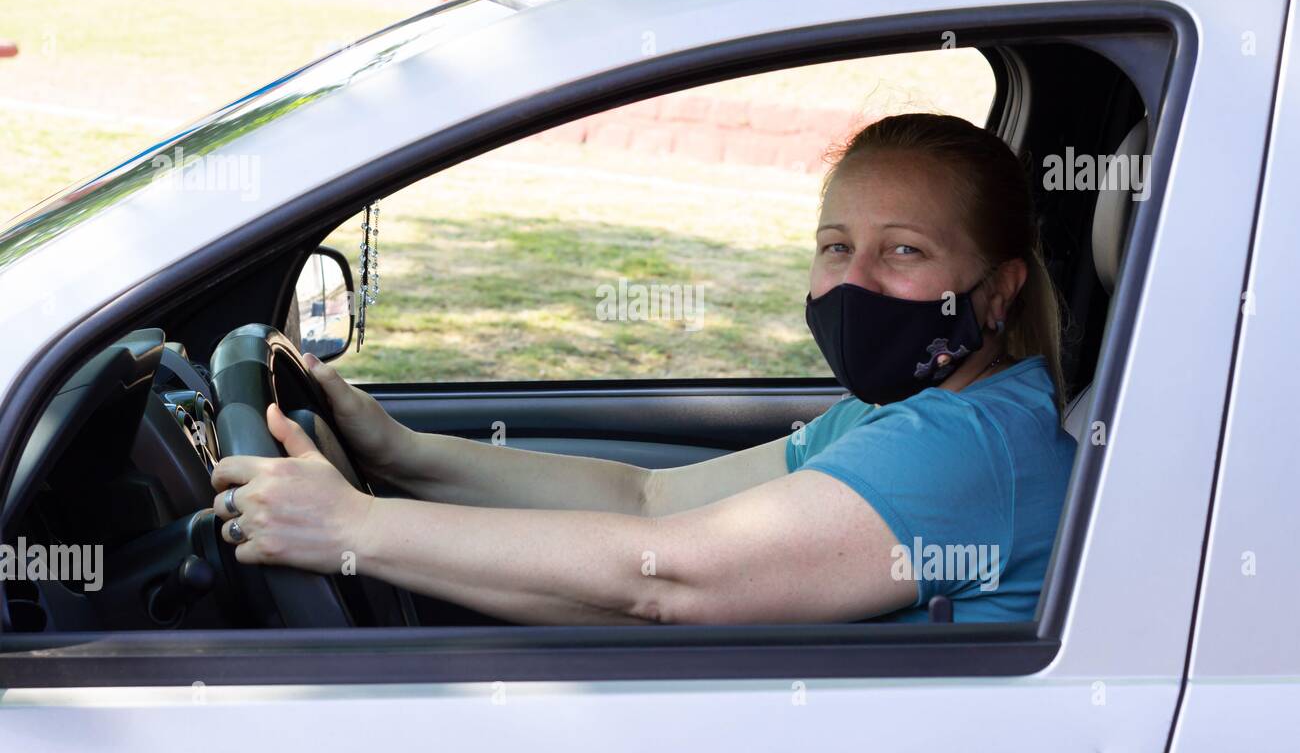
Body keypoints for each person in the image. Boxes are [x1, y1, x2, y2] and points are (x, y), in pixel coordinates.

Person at [212, 113, 1078, 624]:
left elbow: (665, 574)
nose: (855, 282)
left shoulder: (966, 447)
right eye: (836, 246)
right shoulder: (908, 409)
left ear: (998, 290)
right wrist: (401, 452)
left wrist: (354, 530)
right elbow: (648, 500)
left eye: (905, 250)